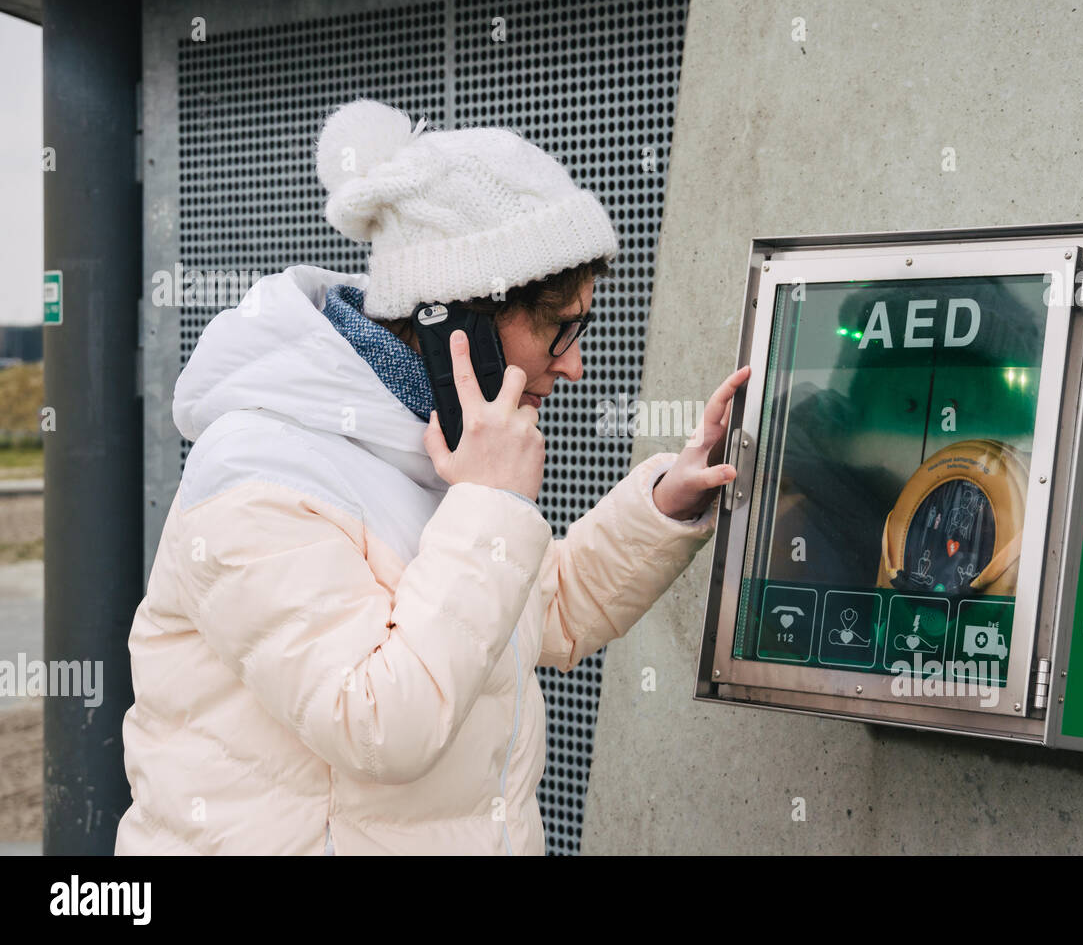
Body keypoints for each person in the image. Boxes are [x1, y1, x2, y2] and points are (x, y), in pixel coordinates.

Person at [114, 99, 749, 855]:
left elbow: (536, 614)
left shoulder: (426, 450)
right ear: (457, 322)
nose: (574, 365)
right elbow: (380, 724)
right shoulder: (258, 475)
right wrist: (488, 501)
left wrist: (664, 502)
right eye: (558, 327)